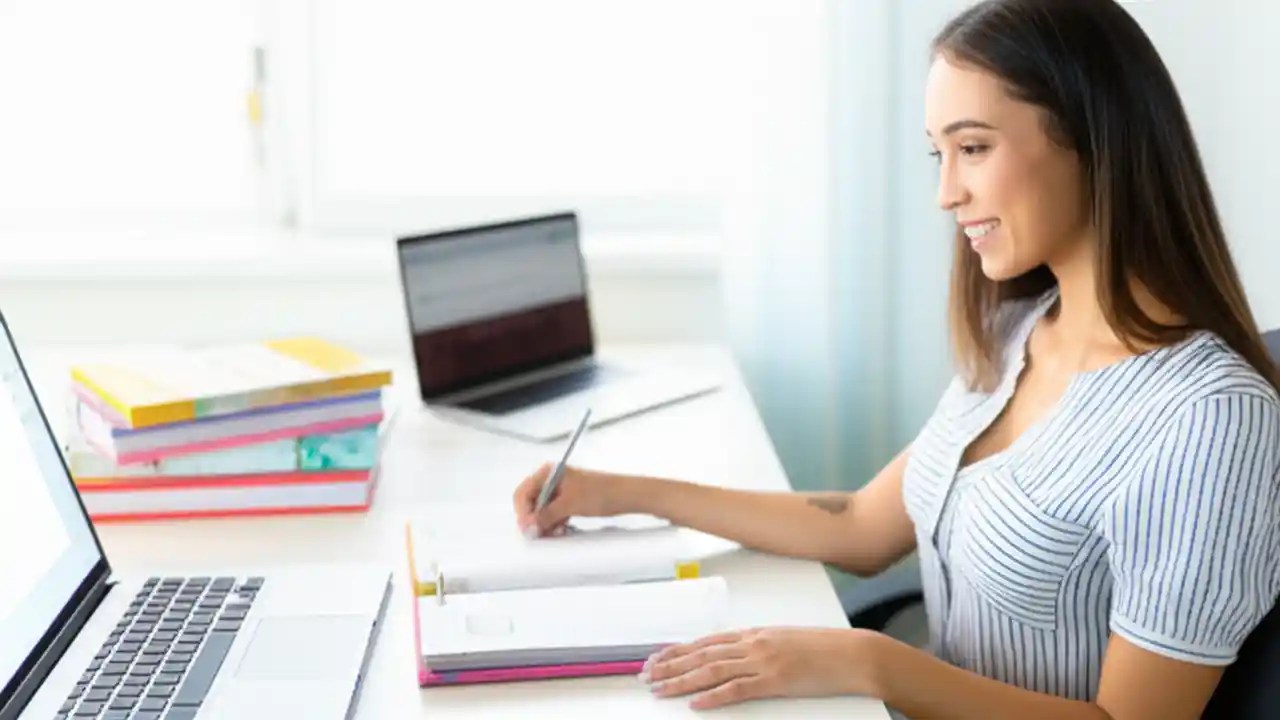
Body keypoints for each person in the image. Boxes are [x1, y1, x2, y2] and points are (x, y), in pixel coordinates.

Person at [511, 0, 1280, 717]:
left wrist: (874, 665)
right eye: (937, 154)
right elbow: (859, 525)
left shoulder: (1210, 420)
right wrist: (618, 492)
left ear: (1093, 139)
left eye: (973, 148)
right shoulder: (1026, 330)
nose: (947, 192)